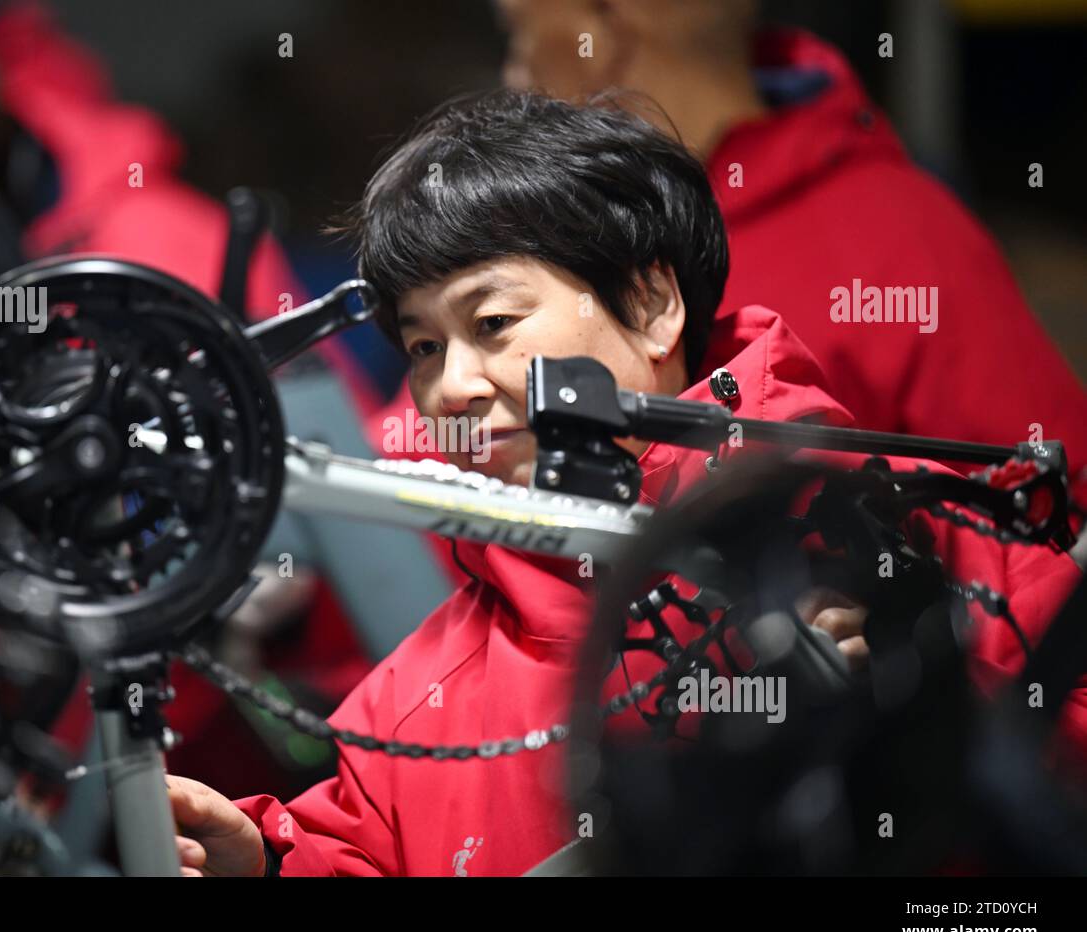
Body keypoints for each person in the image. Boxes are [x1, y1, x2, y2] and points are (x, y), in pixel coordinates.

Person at [166, 90, 1085, 876]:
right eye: (421, 346)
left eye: (491, 321)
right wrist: (263, 861)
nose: (448, 385)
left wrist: (942, 693)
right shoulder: (412, 705)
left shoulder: (921, 537)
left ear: (651, 305)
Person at [369, 0, 1087, 519]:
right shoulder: (536, 263)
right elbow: (433, 451)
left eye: (522, 42)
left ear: (605, 33)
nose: (512, 80)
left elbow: (1060, 523)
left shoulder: (903, 237)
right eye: (427, 346)